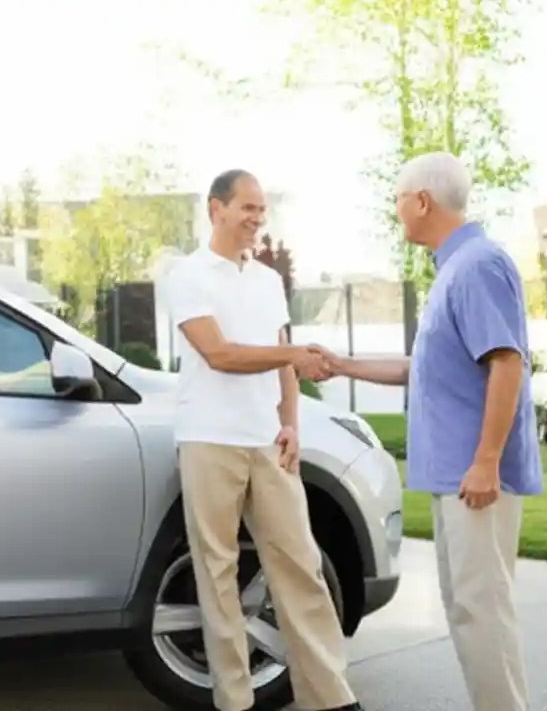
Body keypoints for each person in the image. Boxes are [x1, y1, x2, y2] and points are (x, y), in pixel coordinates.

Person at [314, 152, 541, 711]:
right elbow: (422, 368)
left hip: (477, 476)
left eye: (397, 199)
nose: (396, 212)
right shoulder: (453, 270)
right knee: (469, 608)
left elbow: (507, 363)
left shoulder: (479, 265)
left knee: (480, 609)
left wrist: (487, 460)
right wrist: (342, 365)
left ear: (422, 201)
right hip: (457, 474)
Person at [164, 168, 362, 711]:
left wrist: (291, 423)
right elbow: (220, 355)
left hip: (267, 442)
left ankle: (330, 698)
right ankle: (235, 700)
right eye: (247, 208)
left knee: (301, 566)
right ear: (216, 209)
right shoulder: (188, 276)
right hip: (208, 440)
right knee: (218, 573)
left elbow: (282, 366)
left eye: (261, 210)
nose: (256, 218)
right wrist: (292, 356)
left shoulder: (268, 281)